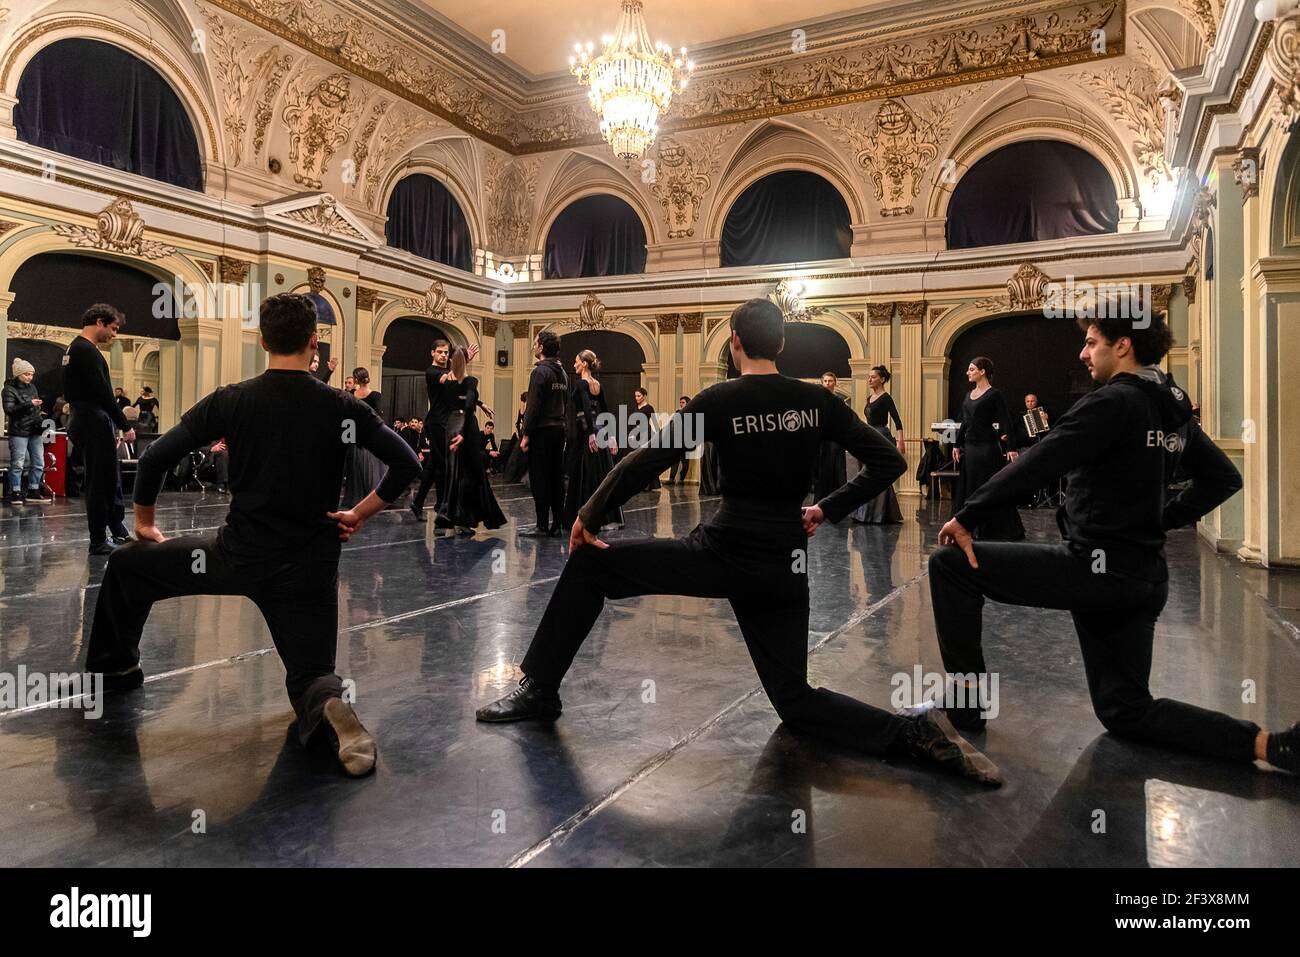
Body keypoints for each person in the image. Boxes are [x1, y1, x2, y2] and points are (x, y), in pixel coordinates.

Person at [476, 298, 1002, 787]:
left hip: (718, 556)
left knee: (591, 566)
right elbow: (890, 460)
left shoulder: (720, 399)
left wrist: (589, 511)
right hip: (783, 565)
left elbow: (651, 457)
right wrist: (826, 508)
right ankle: (911, 733)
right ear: (779, 345)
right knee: (794, 699)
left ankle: (541, 690)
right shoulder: (816, 400)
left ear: (733, 342)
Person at [926, 307, 1300, 775]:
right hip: (1142, 578)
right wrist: (1158, 520)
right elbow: (1223, 477)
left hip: (1091, 570)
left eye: (1092, 342)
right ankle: (1272, 746)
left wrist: (967, 514)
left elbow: (1043, 459)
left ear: (1122, 345)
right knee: (1125, 709)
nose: (1084, 353)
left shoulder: (1113, 402)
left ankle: (964, 708)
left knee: (949, 566)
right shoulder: (1172, 409)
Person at [80, 293, 421, 777]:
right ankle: (326, 701)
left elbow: (155, 458)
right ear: (313, 342)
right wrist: (357, 514)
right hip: (309, 565)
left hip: (236, 554)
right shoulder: (342, 406)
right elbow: (407, 463)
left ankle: (114, 671)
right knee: (312, 675)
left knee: (129, 566)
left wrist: (144, 523)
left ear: (262, 340)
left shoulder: (233, 399)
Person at [64, 304, 136, 555]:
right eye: (113, 328)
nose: (114, 335)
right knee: (100, 480)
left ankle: (116, 529)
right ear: (99, 321)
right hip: (92, 419)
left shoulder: (74, 348)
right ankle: (98, 539)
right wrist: (124, 424)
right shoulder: (86, 351)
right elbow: (104, 393)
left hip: (85, 418)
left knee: (107, 477)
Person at [409, 338, 484, 522]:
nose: (443, 355)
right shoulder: (432, 372)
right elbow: (449, 381)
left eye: (446, 352)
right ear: (432, 353)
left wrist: (481, 404)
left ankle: (421, 503)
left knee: (436, 463)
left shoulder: (446, 371)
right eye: (440, 352)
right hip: (436, 423)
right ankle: (442, 505)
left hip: (446, 422)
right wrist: (463, 361)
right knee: (443, 464)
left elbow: (458, 390)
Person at [952, 357, 1024, 541]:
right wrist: (957, 445)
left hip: (986, 447)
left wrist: (1011, 447)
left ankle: (993, 529)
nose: (967, 372)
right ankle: (970, 527)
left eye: (971, 369)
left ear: (982, 371)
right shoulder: (968, 395)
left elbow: (1005, 420)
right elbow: (965, 422)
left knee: (987, 486)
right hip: (970, 448)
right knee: (970, 486)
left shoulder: (994, 394)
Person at [437, 347, 506, 535]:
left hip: (451, 425)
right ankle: (464, 517)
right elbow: (467, 404)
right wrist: (465, 433)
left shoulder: (445, 380)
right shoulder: (470, 381)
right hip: (465, 426)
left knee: (454, 472)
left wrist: (480, 403)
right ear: (467, 361)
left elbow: (462, 395)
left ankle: (450, 516)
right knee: (472, 474)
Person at [562, 349, 623, 532]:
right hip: (600, 429)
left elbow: (587, 410)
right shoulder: (597, 384)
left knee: (585, 474)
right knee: (600, 473)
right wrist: (611, 436)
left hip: (586, 430)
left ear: (585, 364)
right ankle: (603, 515)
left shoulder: (581, 384)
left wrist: (590, 433)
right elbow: (605, 410)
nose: (574, 365)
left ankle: (585, 516)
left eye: (576, 361)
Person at [519, 331, 567, 537]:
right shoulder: (563, 373)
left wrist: (526, 433)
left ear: (541, 348)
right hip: (559, 429)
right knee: (556, 477)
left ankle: (541, 525)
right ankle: (557, 523)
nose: (534, 346)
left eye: (536, 343)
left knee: (539, 478)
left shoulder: (539, 373)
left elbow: (533, 405)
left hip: (542, 431)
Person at [853, 366, 905, 524]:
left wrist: (900, 441)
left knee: (877, 473)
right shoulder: (869, 398)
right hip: (870, 435)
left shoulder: (886, 398)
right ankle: (867, 513)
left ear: (882, 379)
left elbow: (897, 420)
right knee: (868, 472)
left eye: (873, 377)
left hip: (881, 435)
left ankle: (879, 514)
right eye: (868, 377)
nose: (869, 379)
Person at [3, 358, 50, 505]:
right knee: (18, 463)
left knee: (39, 462)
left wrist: (38, 413)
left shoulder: (32, 388)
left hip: (34, 430)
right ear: (18, 374)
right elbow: (9, 410)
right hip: (18, 431)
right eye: (26, 374)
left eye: (31, 374)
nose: (30, 377)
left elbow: (33, 408)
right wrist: (29, 404)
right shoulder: (9, 389)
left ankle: (33, 490)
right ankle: (15, 492)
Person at [340, 368, 386, 509]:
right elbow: (377, 416)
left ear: (355, 379)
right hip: (368, 434)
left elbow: (346, 415)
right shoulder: (375, 395)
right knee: (370, 467)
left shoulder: (351, 395)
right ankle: (372, 499)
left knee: (356, 467)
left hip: (354, 433)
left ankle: (358, 497)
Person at [812, 372, 848, 509]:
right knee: (821, 471)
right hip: (821, 439)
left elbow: (844, 420)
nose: (828, 383)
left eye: (830, 381)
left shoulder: (840, 401)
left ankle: (837, 503)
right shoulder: (817, 399)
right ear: (822, 383)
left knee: (837, 469)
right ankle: (820, 502)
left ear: (835, 383)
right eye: (825, 381)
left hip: (835, 439)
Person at [631, 387, 661, 491]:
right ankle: (639, 483)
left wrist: (659, 434)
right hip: (637, 433)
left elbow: (655, 422)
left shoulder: (649, 408)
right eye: (635, 396)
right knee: (637, 459)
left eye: (638, 396)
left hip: (645, 433)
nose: (636, 398)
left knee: (645, 458)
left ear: (644, 396)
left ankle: (648, 484)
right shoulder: (635, 406)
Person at [501, 393, 530, 485]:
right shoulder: (526, 409)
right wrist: (519, 433)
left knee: (519, 457)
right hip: (524, 434)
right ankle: (516, 477)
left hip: (524, 434)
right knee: (519, 456)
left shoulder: (525, 409)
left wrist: (519, 432)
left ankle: (517, 477)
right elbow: (520, 422)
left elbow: (519, 422)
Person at [666, 395, 690, 484]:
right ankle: (671, 479)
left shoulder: (691, 412)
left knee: (685, 461)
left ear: (687, 403)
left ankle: (681, 479)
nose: (681, 404)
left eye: (683, 402)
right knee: (675, 460)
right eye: (680, 402)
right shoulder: (677, 412)